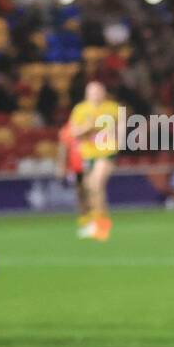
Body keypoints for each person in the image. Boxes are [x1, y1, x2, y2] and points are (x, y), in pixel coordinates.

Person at [68, 81, 118, 241]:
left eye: (99, 91)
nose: (96, 94)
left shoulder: (112, 108)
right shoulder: (80, 110)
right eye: (93, 92)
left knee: (97, 184)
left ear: (104, 93)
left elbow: (117, 129)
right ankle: (98, 222)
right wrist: (87, 128)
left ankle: (102, 227)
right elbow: (74, 132)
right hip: (88, 154)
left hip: (106, 152)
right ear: (87, 94)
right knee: (90, 188)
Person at [54, 117, 91, 236]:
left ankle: (96, 221)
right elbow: (63, 149)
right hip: (75, 167)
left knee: (90, 193)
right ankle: (85, 223)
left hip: (89, 166)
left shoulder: (90, 125)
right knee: (80, 194)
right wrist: (61, 167)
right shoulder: (67, 130)